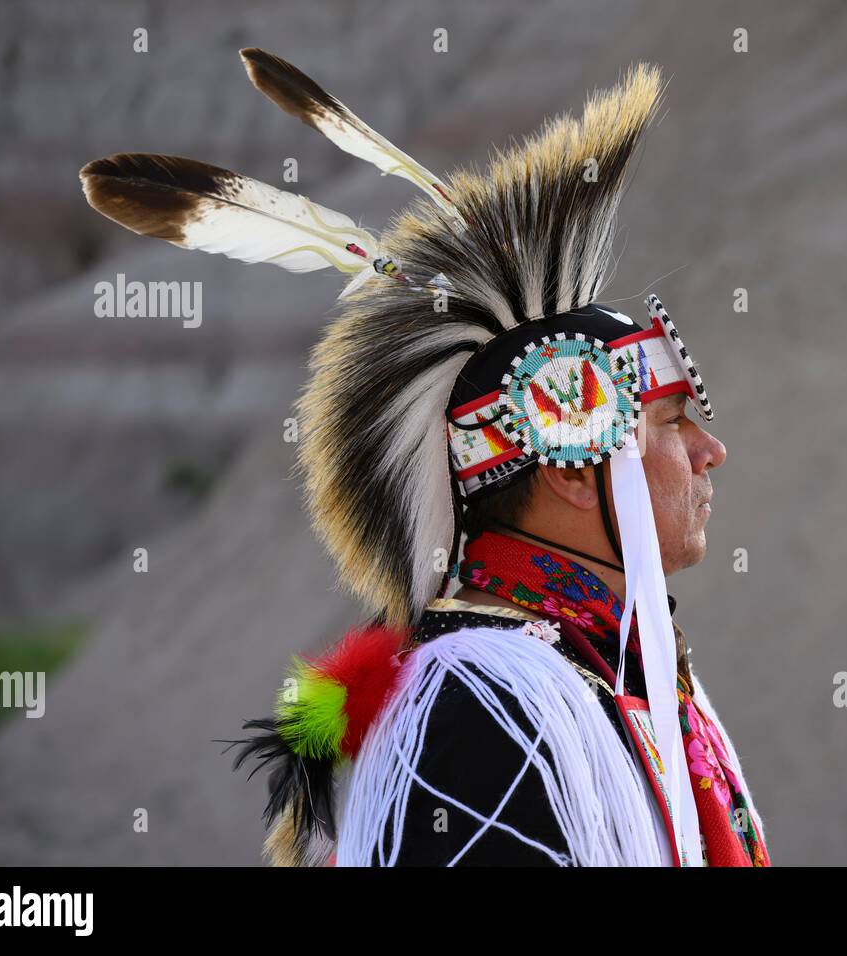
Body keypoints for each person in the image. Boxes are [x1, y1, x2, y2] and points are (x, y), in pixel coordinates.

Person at [80, 47, 770, 867]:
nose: (710, 451)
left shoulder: (612, 674)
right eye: (669, 422)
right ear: (572, 467)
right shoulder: (481, 706)